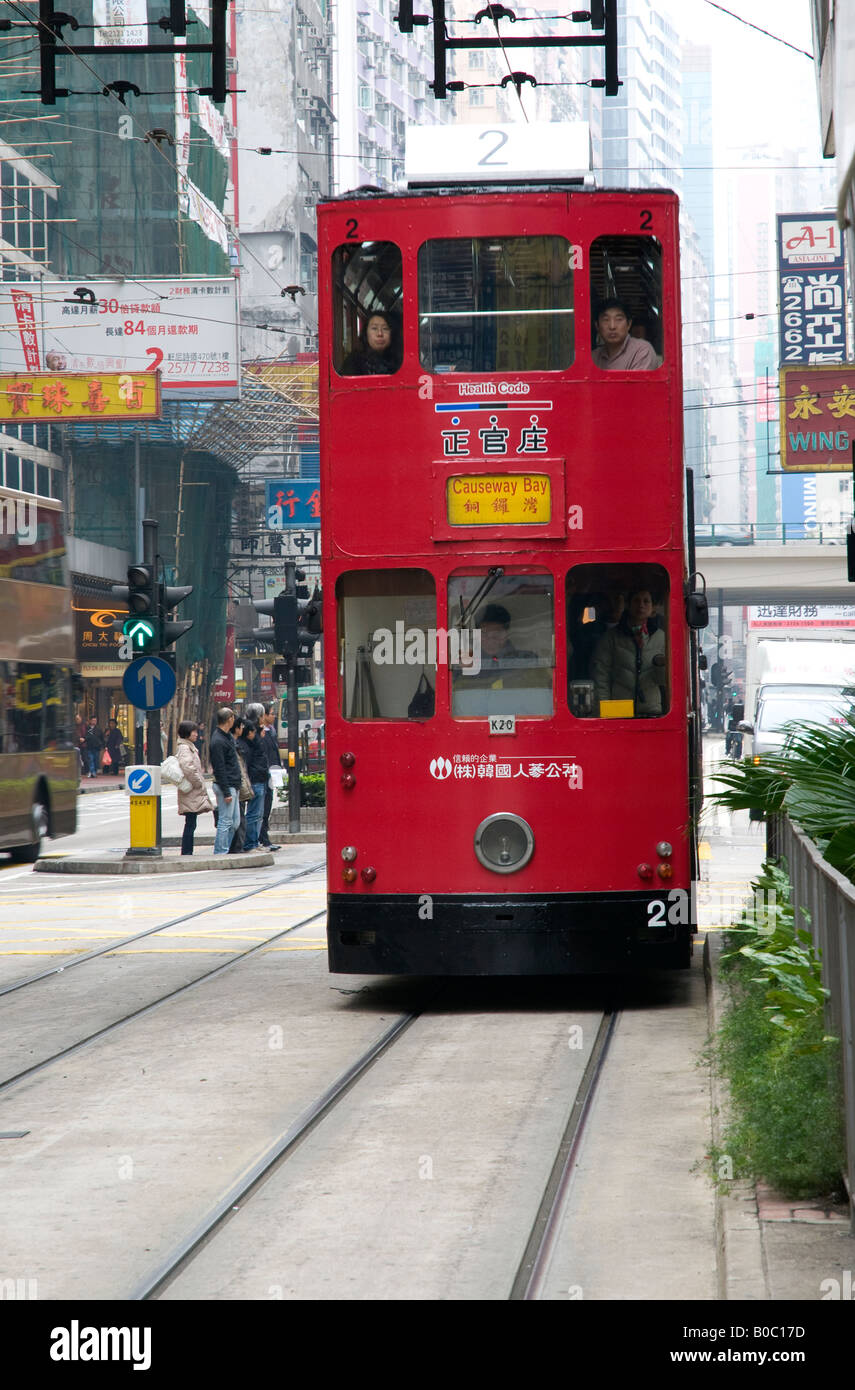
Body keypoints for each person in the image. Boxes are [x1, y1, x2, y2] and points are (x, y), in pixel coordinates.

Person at [590, 588, 668, 717]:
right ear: (628, 605)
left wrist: (660, 665)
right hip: (618, 709)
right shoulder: (611, 637)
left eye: (646, 601)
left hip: (651, 710)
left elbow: (664, 681)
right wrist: (603, 708)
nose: (641, 605)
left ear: (653, 608)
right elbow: (601, 674)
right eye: (636, 601)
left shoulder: (661, 637)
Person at [176, 721, 213, 855]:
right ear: (187, 733)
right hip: (191, 790)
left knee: (191, 822)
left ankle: (187, 851)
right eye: (194, 732)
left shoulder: (188, 746)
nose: (197, 734)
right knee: (190, 823)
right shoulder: (185, 748)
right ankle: (186, 852)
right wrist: (198, 782)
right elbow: (187, 767)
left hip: (191, 790)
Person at [592, 299, 658, 371]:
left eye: (619, 319)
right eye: (606, 320)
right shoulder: (594, 356)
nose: (612, 326)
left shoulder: (642, 350)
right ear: (597, 326)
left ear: (629, 324)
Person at [209, 707, 241, 855]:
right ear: (229, 719)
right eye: (233, 717)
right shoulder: (218, 740)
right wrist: (227, 791)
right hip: (225, 786)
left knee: (235, 822)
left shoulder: (226, 736)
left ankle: (224, 849)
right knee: (225, 821)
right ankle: (220, 852)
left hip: (233, 784)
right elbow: (219, 768)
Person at [236, 719, 269, 853]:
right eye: (254, 732)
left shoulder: (252, 743)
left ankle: (254, 842)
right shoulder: (245, 746)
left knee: (258, 814)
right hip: (255, 781)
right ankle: (250, 843)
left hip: (260, 779)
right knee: (253, 814)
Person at [341, 311, 401, 376]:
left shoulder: (400, 360)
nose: (380, 334)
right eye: (374, 328)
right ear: (366, 333)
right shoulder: (354, 361)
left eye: (385, 328)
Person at [258, 702, 282, 850]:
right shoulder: (260, 734)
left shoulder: (271, 730)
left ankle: (265, 838)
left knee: (268, 805)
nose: (274, 716)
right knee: (262, 808)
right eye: (272, 713)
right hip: (264, 773)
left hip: (273, 772)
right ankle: (262, 839)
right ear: (264, 715)